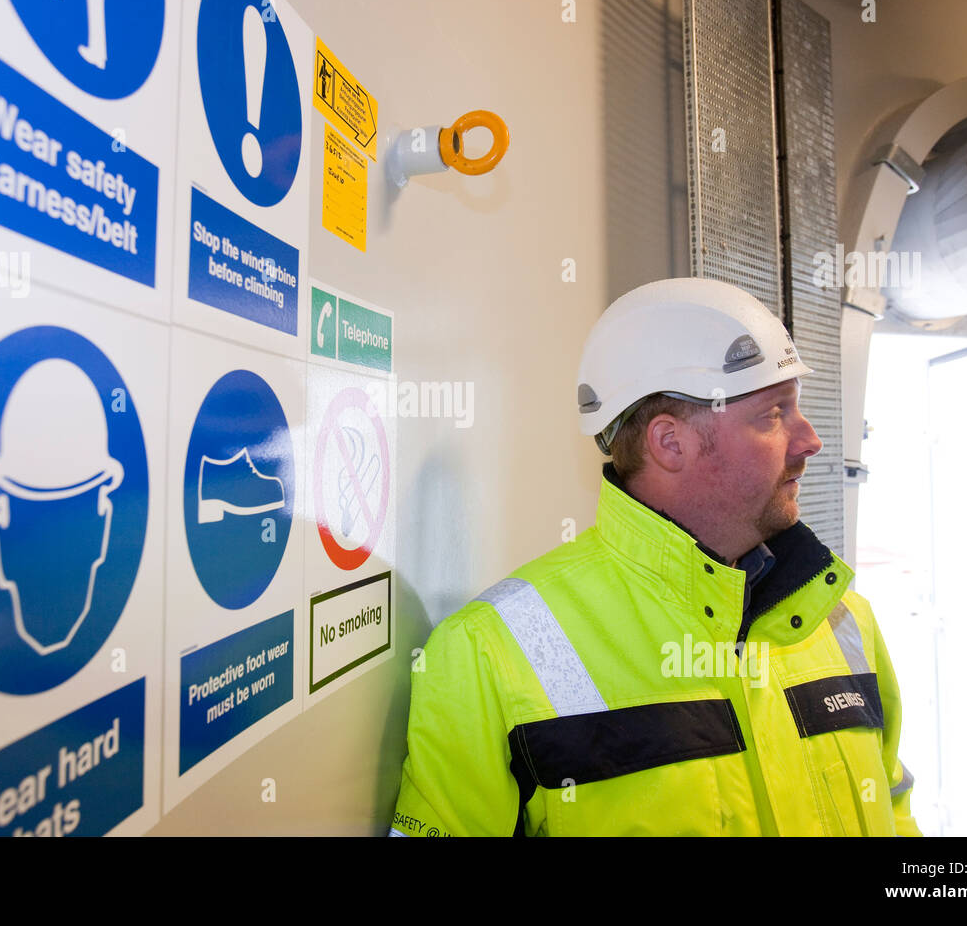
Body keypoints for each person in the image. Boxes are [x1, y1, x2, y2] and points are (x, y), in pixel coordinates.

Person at [391, 277, 921, 836]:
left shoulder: (843, 620)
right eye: (773, 414)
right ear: (670, 443)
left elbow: (895, 807)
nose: (809, 440)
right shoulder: (488, 652)